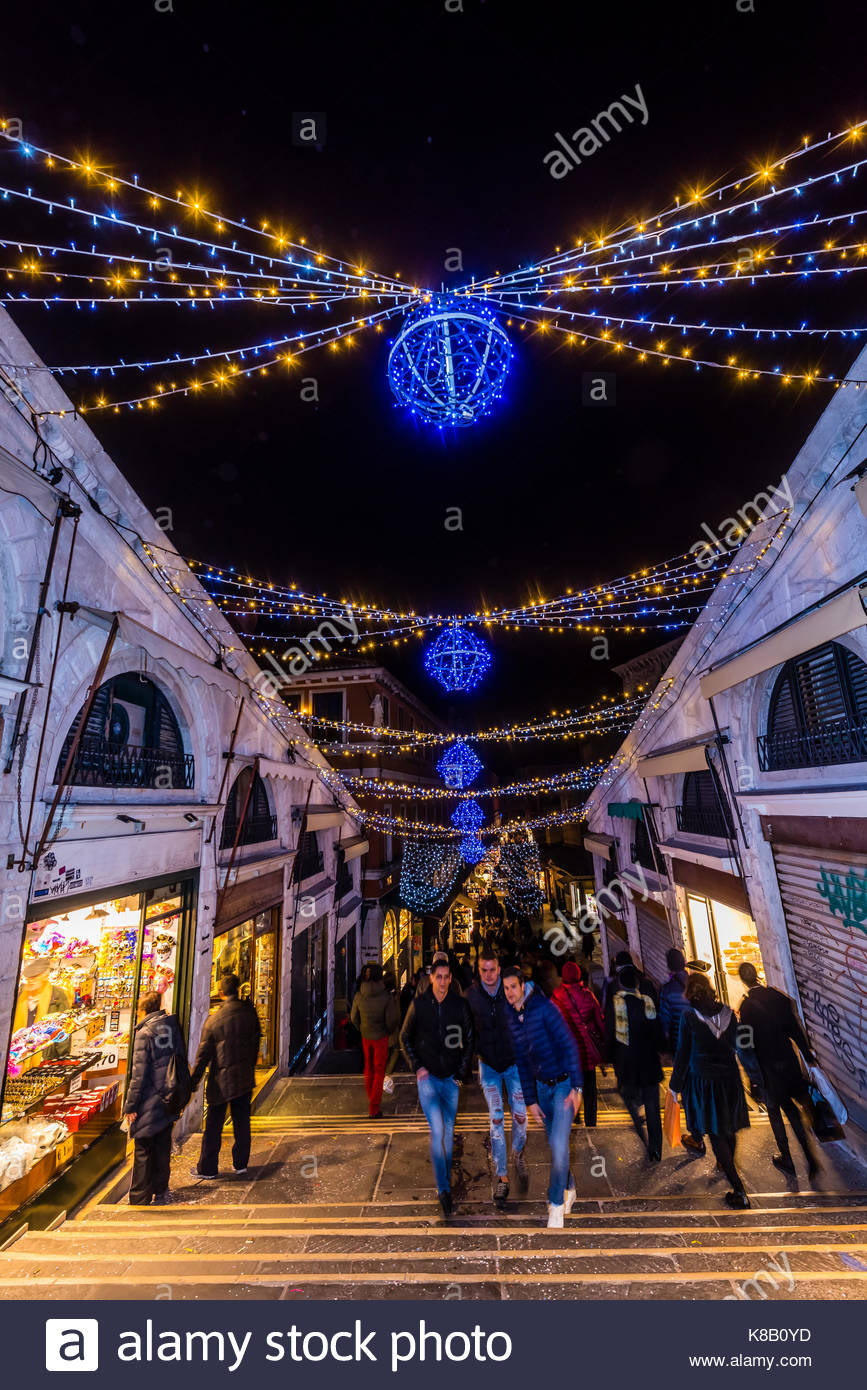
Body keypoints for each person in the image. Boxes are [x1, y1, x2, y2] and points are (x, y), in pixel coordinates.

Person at [502, 964, 583, 1228]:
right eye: (505, 988)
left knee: (559, 1145)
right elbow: (522, 1063)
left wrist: (577, 1088)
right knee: (555, 1145)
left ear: (523, 986)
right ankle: (569, 1188)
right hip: (541, 1090)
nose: (510, 992)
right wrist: (530, 1101)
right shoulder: (512, 1018)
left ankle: (556, 1205)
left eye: (513, 986)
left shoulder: (546, 1009)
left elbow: (569, 1045)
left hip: (563, 1085)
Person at [400, 955, 474, 1216]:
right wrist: (417, 1066)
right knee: (439, 1129)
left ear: (450, 979)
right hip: (429, 1078)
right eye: (438, 977)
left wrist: (461, 1072)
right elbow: (404, 1036)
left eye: (446, 978)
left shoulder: (459, 1005)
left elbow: (469, 1038)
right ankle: (443, 1189)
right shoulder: (419, 1005)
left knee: (448, 1132)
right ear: (431, 978)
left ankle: (443, 1183)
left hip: (451, 1078)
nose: (442, 982)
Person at [670, 972, 751, 1209]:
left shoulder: (689, 1016)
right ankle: (725, 1164)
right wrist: (753, 1076)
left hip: (704, 1083)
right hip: (729, 1079)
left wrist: (675, 1086)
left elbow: (682, 1054)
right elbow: (742, 1044)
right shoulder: (727, 1012)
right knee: (728, 1129)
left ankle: (739, 1189)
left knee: (716, 1134)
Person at [738, 963, 821, 1180]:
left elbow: (745, 1046)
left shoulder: (745, 1009)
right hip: (789, 1062)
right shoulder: (778, 998)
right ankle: (809, 1156)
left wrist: (752, 1077)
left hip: (768, 1069)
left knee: (778, 1110)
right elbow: (795, 1029)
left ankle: (787, 1158)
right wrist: (807, 1054)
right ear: (756, 976)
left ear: (743, 980)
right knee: (797, 1106)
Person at [464, 950, 528, 1207]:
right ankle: (502, 1177)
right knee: (497, 1119)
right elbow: (465, 1029)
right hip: (489, 1066)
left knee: (521, 1118)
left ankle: (518, 1152)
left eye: (493, 969)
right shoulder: (471, 996)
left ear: (500, 969)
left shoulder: (512, 991)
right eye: (484, 970)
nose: (489, 975)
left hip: (515, 1065)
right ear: (478, 971)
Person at [189, 972, 261, 1179]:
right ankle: (241, 1164)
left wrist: (193, 1082)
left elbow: (202, 1056)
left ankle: (208, 1167)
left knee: (214, 1124)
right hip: (244, 1077)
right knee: (242, 1121)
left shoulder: (214, 1021)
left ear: (221, 993)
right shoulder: (249, 1012)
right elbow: (256, 1039)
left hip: (220, 1081)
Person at [123, 991, 186, 1206]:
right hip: (169, 1096)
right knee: (162, 1146)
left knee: (143, 1149)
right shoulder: (171, 1025)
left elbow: (138, 1075)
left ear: (143, 1010)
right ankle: (161, 1190)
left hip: (149, 1099)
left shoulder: (144, 1033)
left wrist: (130, 1105)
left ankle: (140, 1197)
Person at [604, 965, 664, 1160]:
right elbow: (657, 1033)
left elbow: (610, 1035)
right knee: (652, 1106)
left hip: (627, 1063)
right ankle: (655, 1148)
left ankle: (640, 1128)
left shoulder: (615, 1003)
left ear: (621, 983)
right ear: (637, 984)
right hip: (649, 1063)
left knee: (630, 1099)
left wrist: (608, 1059)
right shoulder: (647, 1002)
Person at [552, 961, 605, 1127]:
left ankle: (573, 1116)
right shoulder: (588, 995)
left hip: (566, 1053)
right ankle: (591, 1121)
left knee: (570, 1087)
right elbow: (600, 1021)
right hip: (586, 1052)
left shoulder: (556, 996)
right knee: (590, 1090)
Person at [350, 963, 399, 1116]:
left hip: (366, 1036)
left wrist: (362, 1029)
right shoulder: (386, 997)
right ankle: (374, 1106)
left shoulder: (359, 994)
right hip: (381, 1037)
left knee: (368, 1068)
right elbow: (392, 1020)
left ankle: (371, 1096)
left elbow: (353, 1017)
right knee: (379, 1071)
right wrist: (387, 1031)